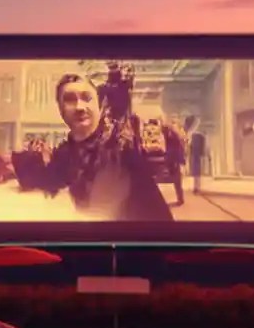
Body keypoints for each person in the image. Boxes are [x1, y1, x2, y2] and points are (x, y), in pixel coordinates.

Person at [40, 73, 173, 221]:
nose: (79, 107)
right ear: (60, 108)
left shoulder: (123, 152)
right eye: (70, 100)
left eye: (87, 98)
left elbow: (159, 218)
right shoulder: (63, 156)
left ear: (99, 105)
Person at [184, 115, 205, 194]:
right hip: (194, 154)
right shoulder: (193, 134)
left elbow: (201, 145)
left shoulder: (196, 134)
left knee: (196, 170)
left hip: (196, 155)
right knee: (195, 171)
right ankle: (196, 186)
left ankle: (197, 187)